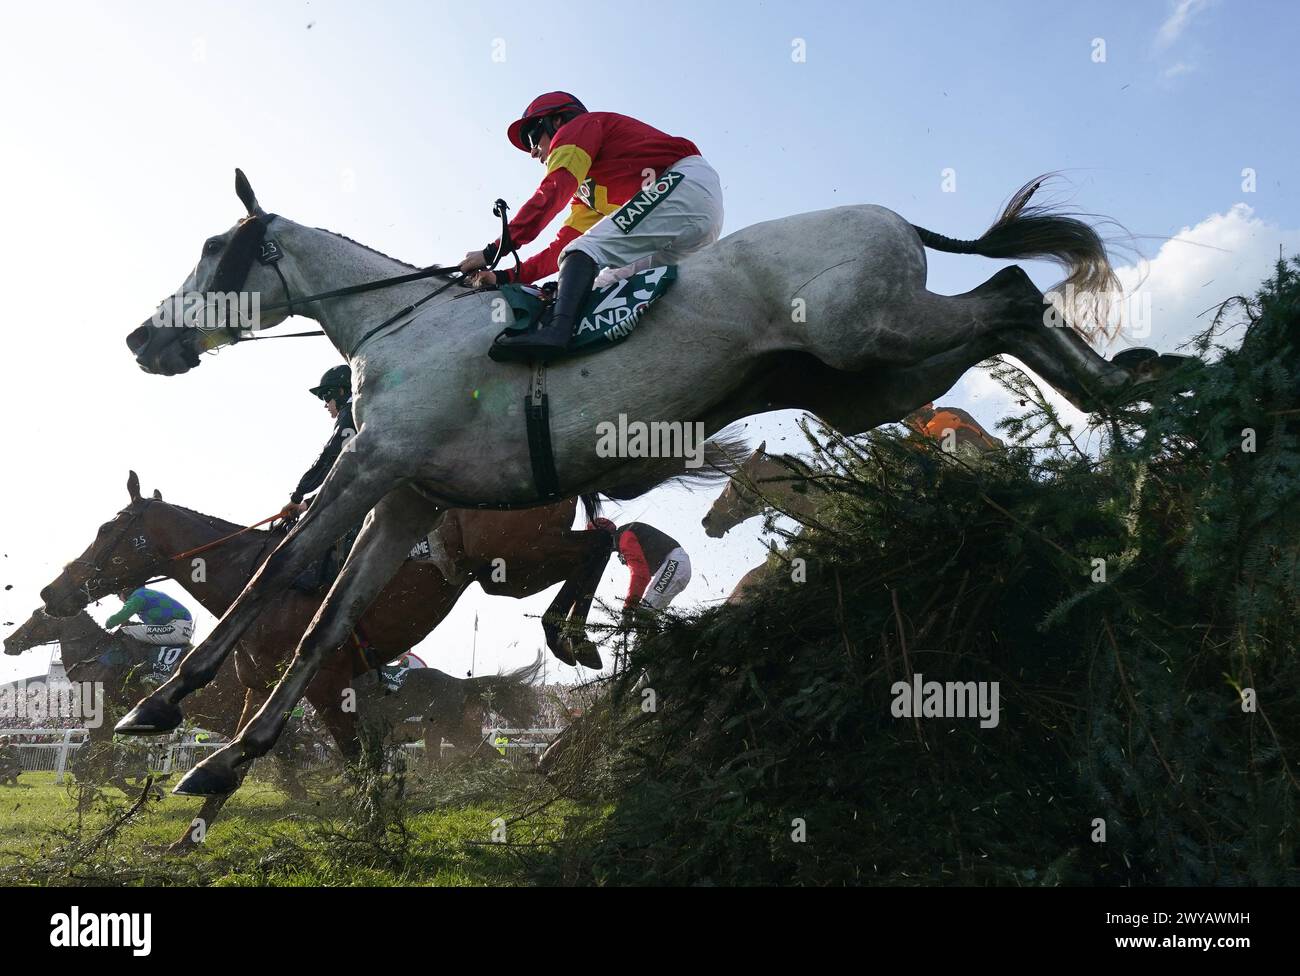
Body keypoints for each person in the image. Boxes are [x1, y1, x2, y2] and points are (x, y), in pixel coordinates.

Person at [460, 92, 724, 361]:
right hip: (688, 220)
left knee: (583, 251)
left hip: (685, 183)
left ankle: (556, 334)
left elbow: (551, 194)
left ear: (556, 120)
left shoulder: (578, 128)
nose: (532, 152)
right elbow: (562, 249)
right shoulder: (587, 192)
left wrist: (494, 250)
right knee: (600, 285)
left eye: (532, 137)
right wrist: (505, 277)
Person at [280, 364, 356, 521]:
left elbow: (329, 457)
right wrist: (307, 504)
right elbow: (347, 477)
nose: (325, 404)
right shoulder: (358, 411)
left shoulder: (349, 414)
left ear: (341, 392)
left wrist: (298, 496)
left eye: (326, 397)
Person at [589, 518, 692, 623]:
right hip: (675, 563)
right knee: (645, 615)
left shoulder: (625, 537)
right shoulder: (625, 535)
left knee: (643, 615)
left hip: (675, 563)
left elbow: (641, 575)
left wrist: (628, 608)